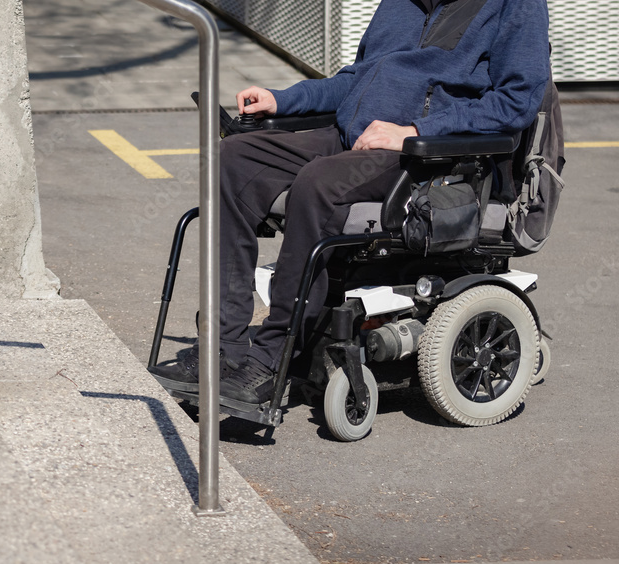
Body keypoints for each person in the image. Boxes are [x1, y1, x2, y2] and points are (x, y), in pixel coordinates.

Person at [150, 0, 551, 411]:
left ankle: (270, 358)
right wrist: (283, 99)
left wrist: (414, 131)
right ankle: (224, 346)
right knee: (233, 158)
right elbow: (358, 80)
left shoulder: (514, 5)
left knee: (317, 184)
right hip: (357, 139)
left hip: (430, 157)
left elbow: (516, 103)